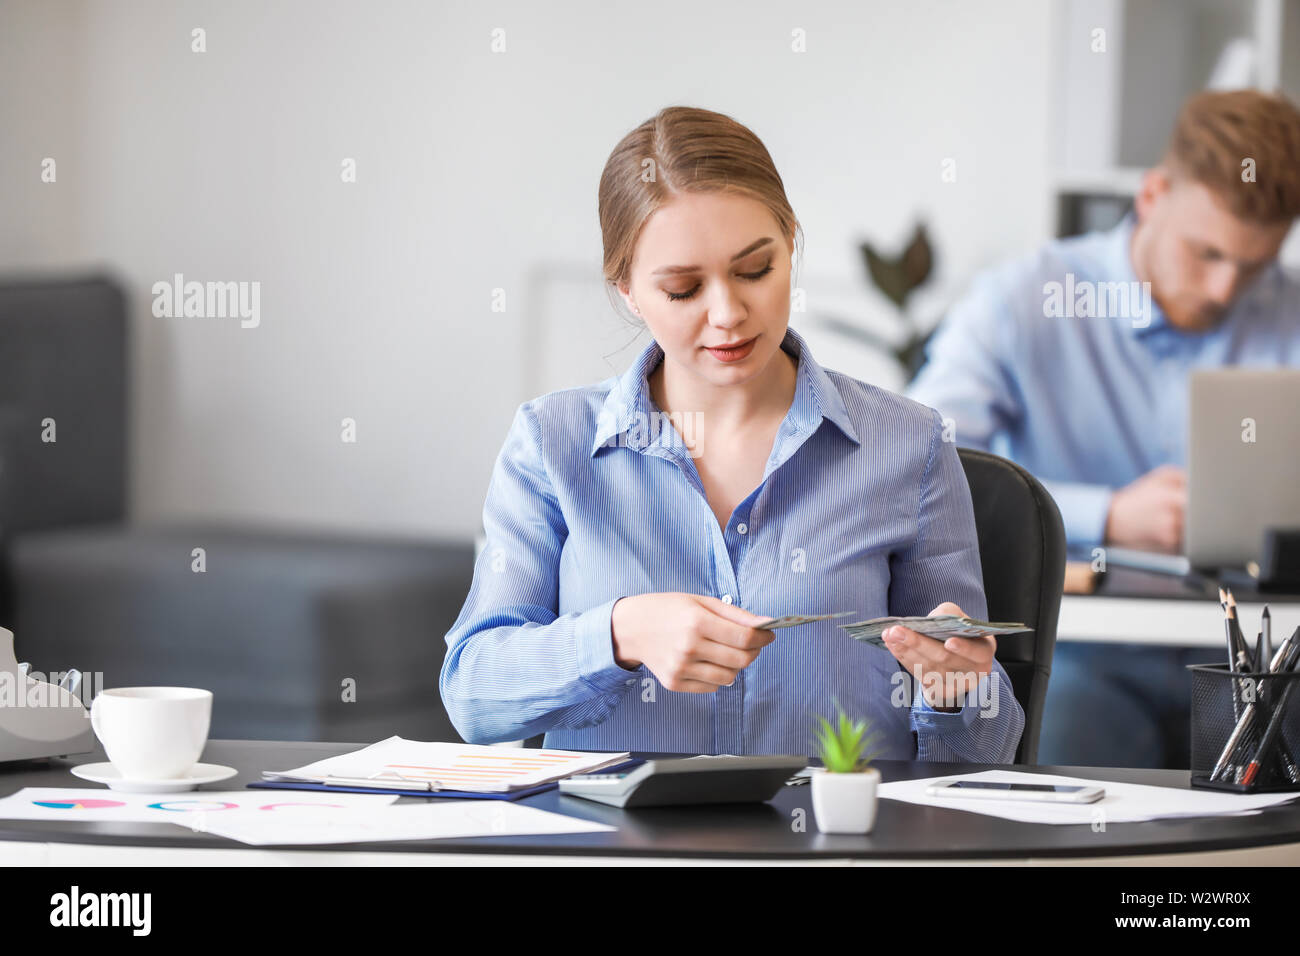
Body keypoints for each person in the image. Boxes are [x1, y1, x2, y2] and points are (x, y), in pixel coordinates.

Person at [440, 105, 1023, 761]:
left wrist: (955, 690)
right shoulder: (551, 444)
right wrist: (619, 633)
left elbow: (986, 754)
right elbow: (473, 695)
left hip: (837, 852)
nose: (728, 315)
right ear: (628, 289)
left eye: (754, 270)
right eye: (684, 289)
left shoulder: (909, 446)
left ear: (791, 243)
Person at [908, 89, 1300, 768]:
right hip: (1083, 654)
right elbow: (920, 465)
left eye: (1253, 265)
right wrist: (1107, 515)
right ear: (1151, 195)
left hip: (1260, 660)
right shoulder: (1024, 300)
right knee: (1068, 772)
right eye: (1205, 252)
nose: (1223, 289)